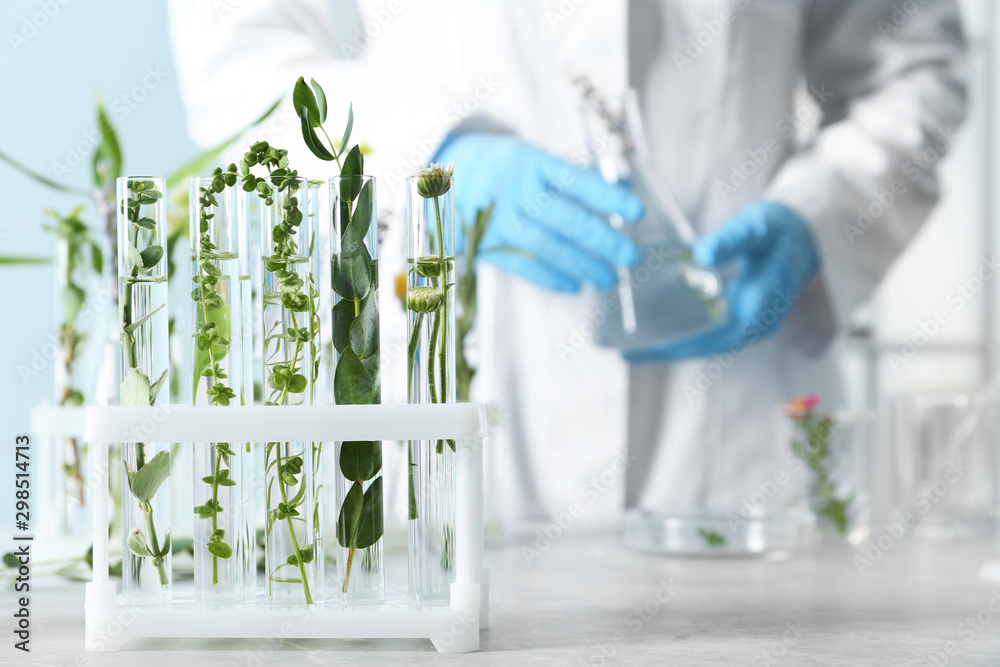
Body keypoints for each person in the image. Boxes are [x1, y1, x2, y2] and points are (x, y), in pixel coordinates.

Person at [169, 1, 967, 530]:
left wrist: (818, 216)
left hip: (733, 419)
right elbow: (242, 63)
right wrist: (425, 153)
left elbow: (913, 70)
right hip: (458, 371)